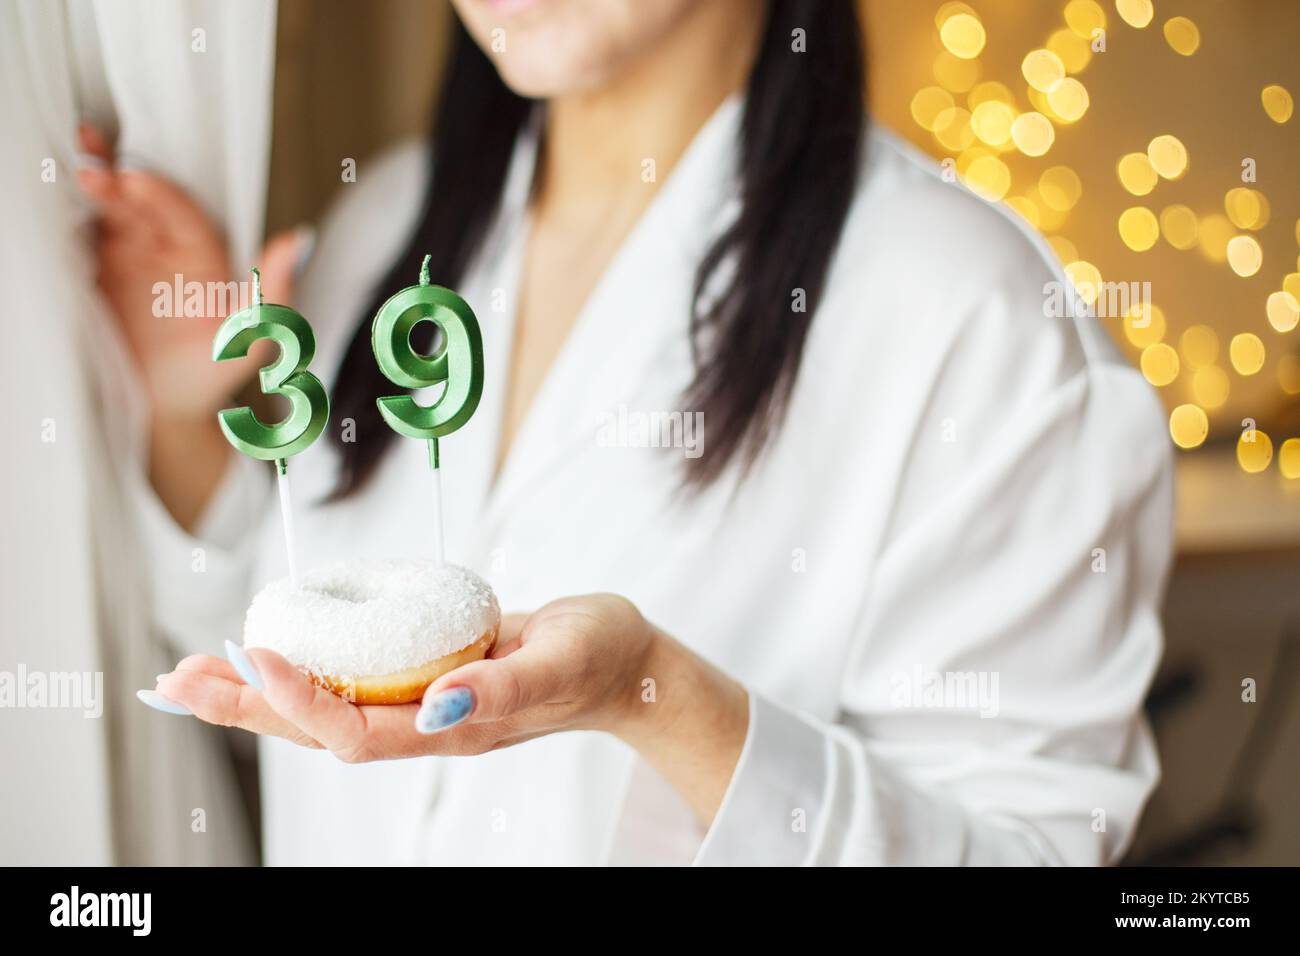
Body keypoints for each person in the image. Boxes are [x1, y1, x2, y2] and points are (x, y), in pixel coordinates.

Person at [82, 0, 1172, 865]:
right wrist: (184, 404)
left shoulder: (973, 321)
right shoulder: (385, 227)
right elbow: (271, 631)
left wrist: (653, 694)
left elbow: (1024, 850)